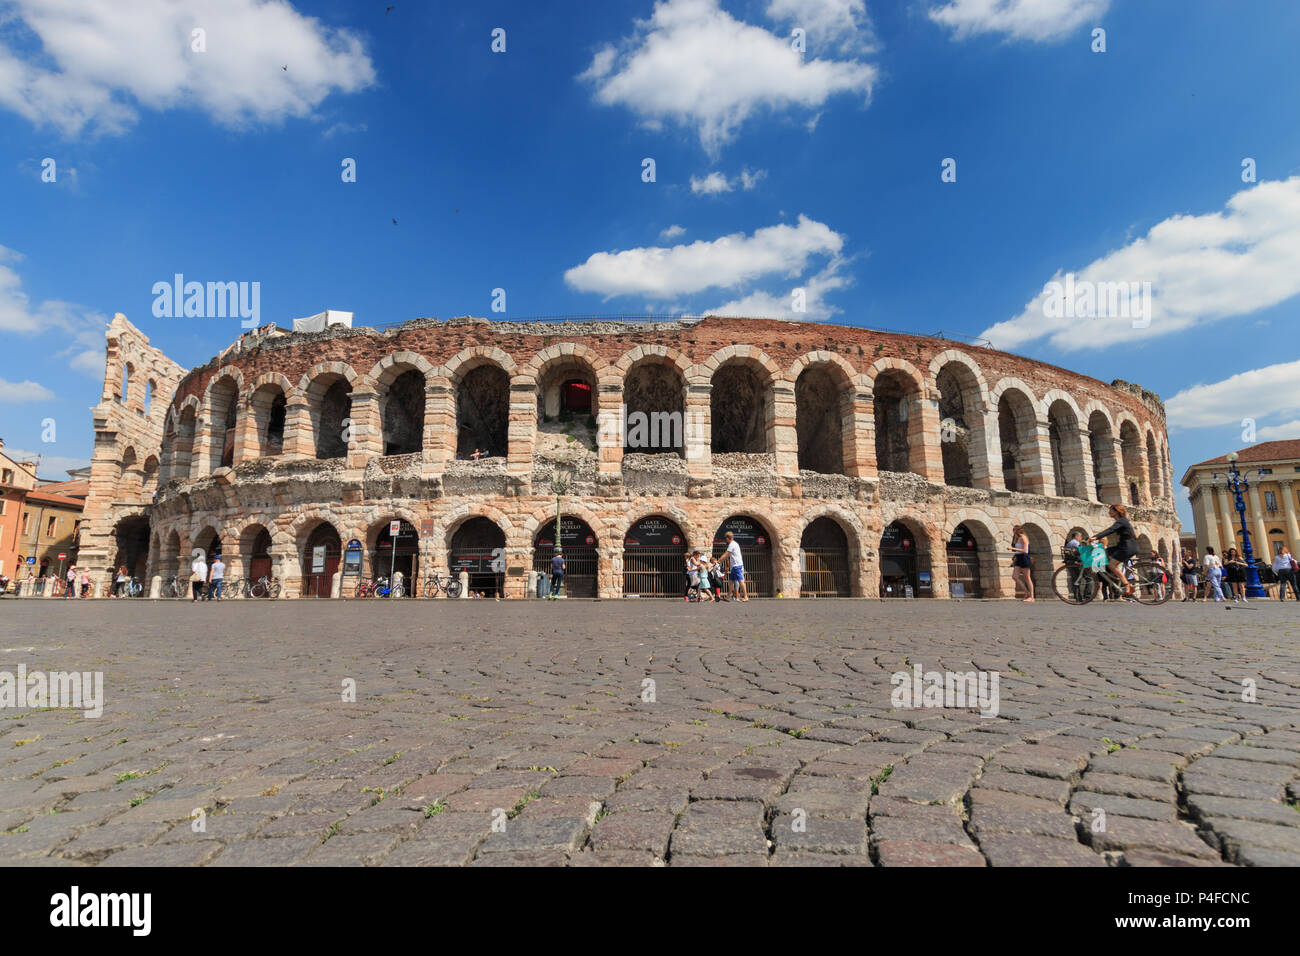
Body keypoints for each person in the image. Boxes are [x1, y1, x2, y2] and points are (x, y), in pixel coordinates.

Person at [1090, 504, 1139, 600]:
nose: (1109, 512)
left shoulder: (1122, 521)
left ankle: (1126, 584)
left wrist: (1096, 537)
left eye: (1111, 510)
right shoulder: (1121, 521)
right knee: (1106, 551)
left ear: (1116, 511)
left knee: (1111, 565)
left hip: (1127, 546)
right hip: (1124, 545)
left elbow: (1110, 530)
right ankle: (1115, 575)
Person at [1010, 525, 1033, 602]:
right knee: (1014, 576)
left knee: (1027, 578)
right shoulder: (1017, 538)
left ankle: (1031, 597)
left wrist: (1013, 548)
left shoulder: (1023, 538)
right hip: (1018, 558)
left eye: (1014, 530)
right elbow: (1017, 551)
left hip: (1024, 557)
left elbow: (1025, 550)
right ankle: (1027, 593)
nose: (1013, 531)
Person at [723, 531, 747, 602]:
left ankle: (746, 596)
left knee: (741, 581)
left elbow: (726, 554)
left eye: (726, 538)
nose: (725, 540)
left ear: (728, 538)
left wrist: (719, 561)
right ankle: (728, 597)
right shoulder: (733, 544)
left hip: (737, 565)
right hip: (734, 566)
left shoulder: (732, 544)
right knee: (731, 581)